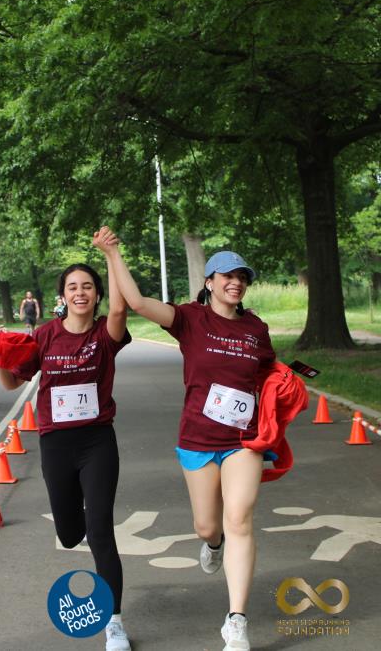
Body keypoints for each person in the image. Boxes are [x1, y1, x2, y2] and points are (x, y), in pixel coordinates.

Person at [100, 228, 275, 651]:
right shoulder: (190, 320)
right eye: (227, 276)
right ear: (209, 283)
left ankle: (236, 620)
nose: (236, 283)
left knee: (240, 519)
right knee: (208, 525)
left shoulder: (256, 328)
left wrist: (287, 386)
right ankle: (212, 544)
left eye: (242, 277)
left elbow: (269, 373)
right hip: (198, 438)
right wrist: (113, 253)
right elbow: (138, 304)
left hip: (242, 440)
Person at [0, 229, 131, 651]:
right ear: (62, 296)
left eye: (88, 286)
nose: (80, 292)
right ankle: (84, 523)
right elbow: (13, 384)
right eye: (72, 287)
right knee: (72, 534)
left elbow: (123, 307)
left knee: (102, 531)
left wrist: (111, 253)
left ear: (96, 294)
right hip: (56, 444)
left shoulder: (105, 336)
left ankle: (114, 623)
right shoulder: (46, 335)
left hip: (96, 442)